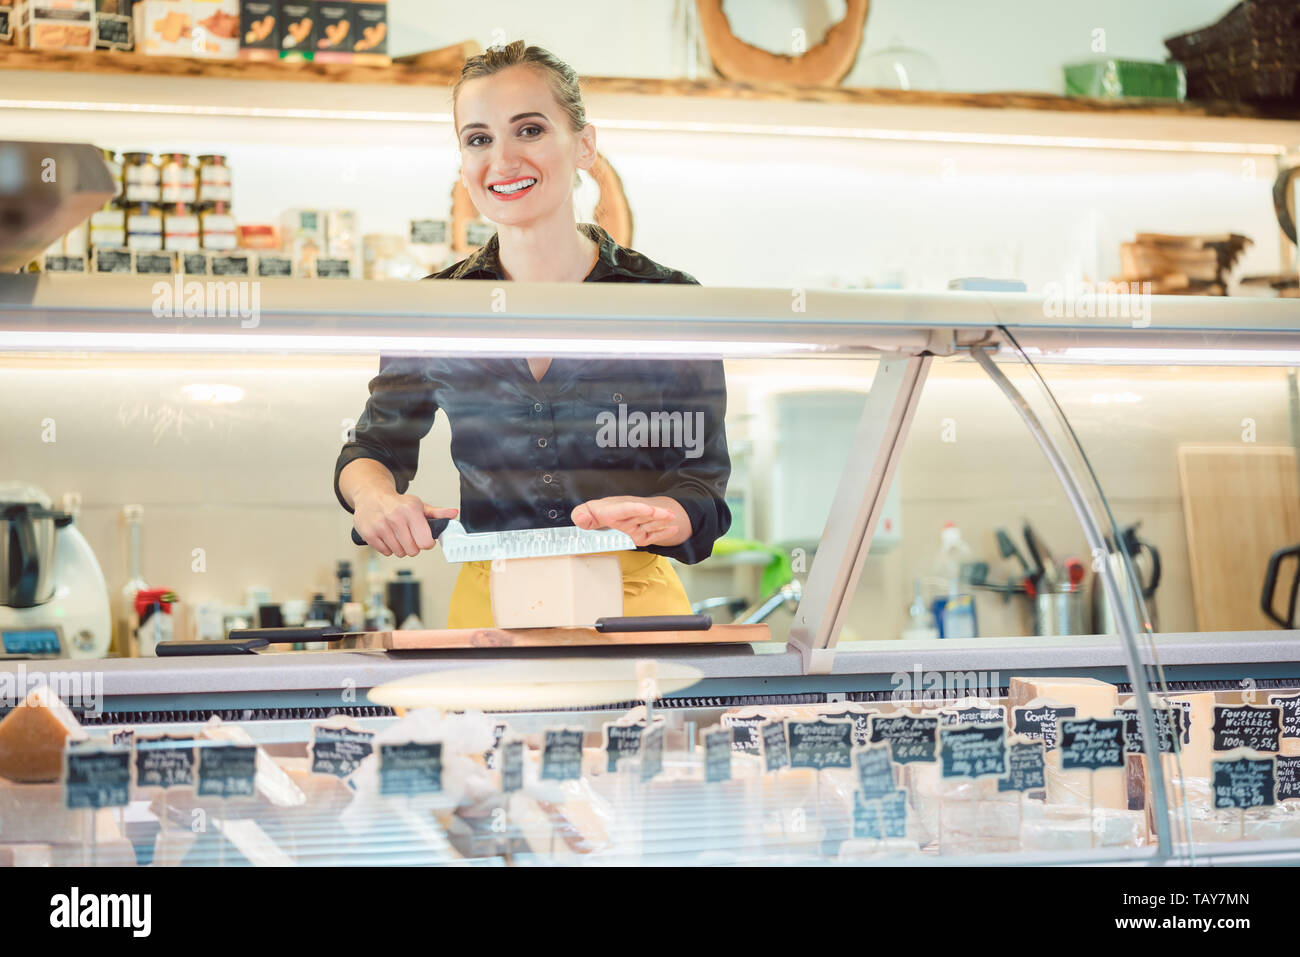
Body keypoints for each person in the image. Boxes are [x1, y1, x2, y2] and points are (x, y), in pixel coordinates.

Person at [335, 40, 731, 628]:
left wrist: (670, 511)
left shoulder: (667, 301)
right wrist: (376, 499)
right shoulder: (435, 308)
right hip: (490, 609)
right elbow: (373, 451)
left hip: (634, 609)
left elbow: (702, 479)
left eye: (529, 130)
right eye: (478, 138)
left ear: (584, 145)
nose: (503, 160)